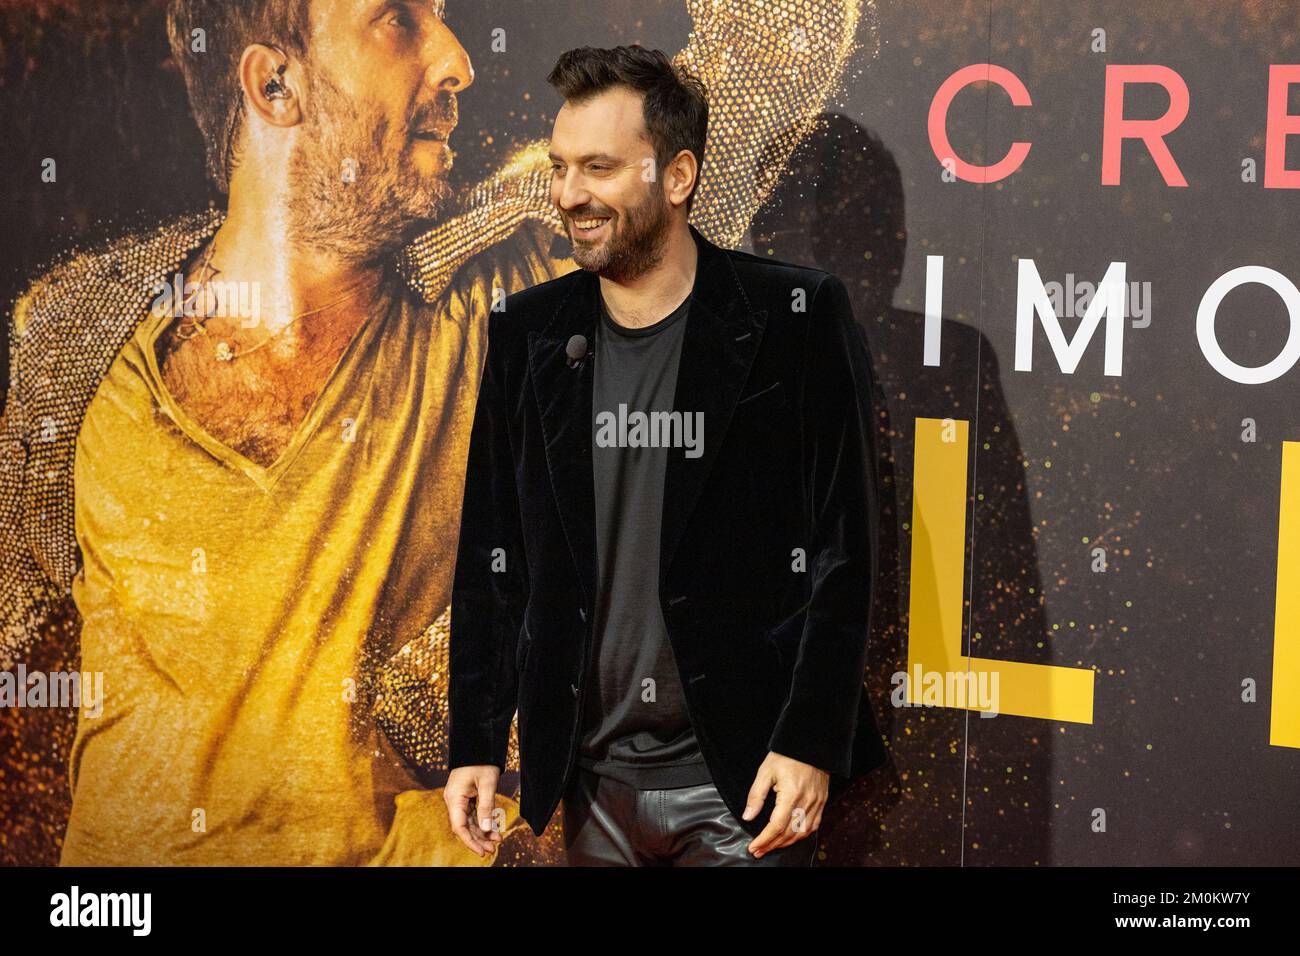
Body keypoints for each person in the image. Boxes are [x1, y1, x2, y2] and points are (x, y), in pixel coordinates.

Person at [0, 0, 871, 866]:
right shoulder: (80, 336)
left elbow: (770, 52)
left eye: (445, 18)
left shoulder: (522, 276)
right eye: (399, 21)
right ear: (274, 83)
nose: (458, 60)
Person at [445, 45, 887, 866]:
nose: (570, 194)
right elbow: (490, 558)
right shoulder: (526, 331)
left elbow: (844, 553)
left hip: (745, 784)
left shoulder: (793, 317)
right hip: (585, 785)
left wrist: (809, 739)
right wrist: (474, 738)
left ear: (677, 177)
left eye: (600, 168)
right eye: (561, 167)